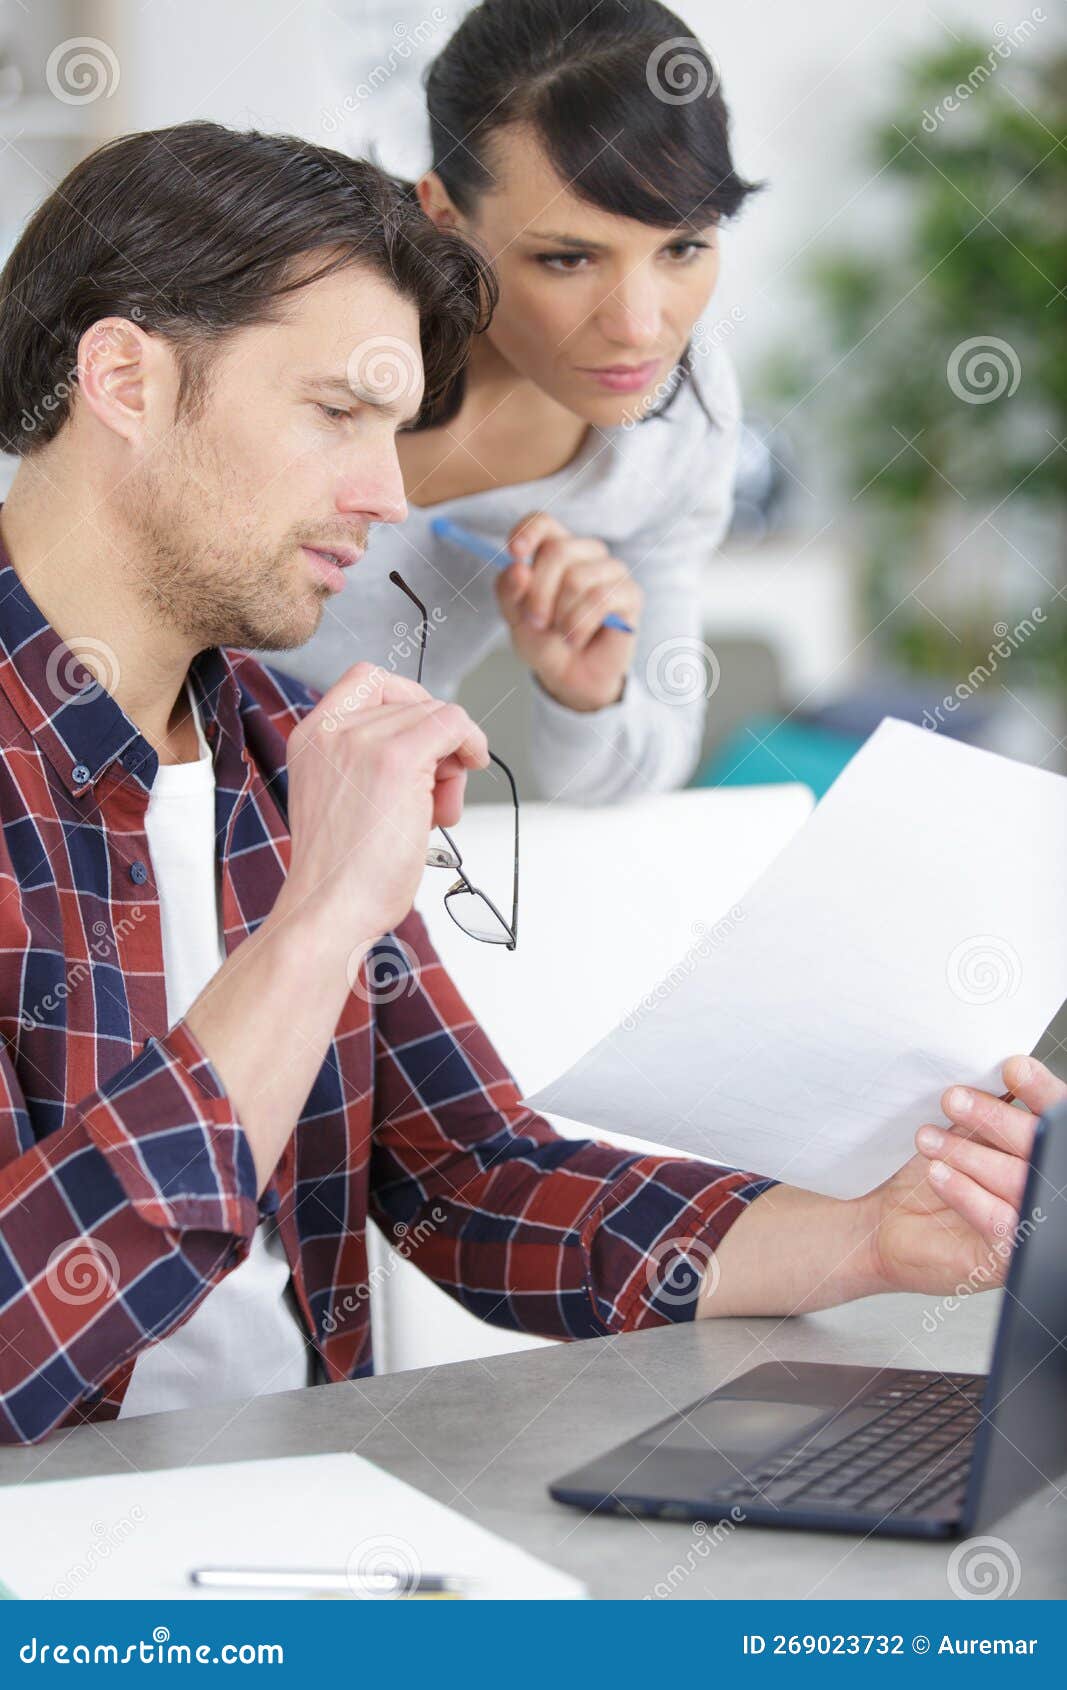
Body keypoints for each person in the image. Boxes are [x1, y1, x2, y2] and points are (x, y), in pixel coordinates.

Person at [0, 122, 1060, 1448]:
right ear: (125, 379)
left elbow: (470, 1180)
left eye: (393, 432)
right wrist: (317, 919)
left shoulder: (274, 743)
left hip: (289, 1514)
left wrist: (862, 1237)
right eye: (335, 413)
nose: (382, 495)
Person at [275, 0, 756, 804]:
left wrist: (585, 690)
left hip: (344, 846)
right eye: (568, 258)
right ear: (444, 217)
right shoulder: (303, 341)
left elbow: (639, 770)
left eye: (682, 247)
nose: (640, 329)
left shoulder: (676, 425)